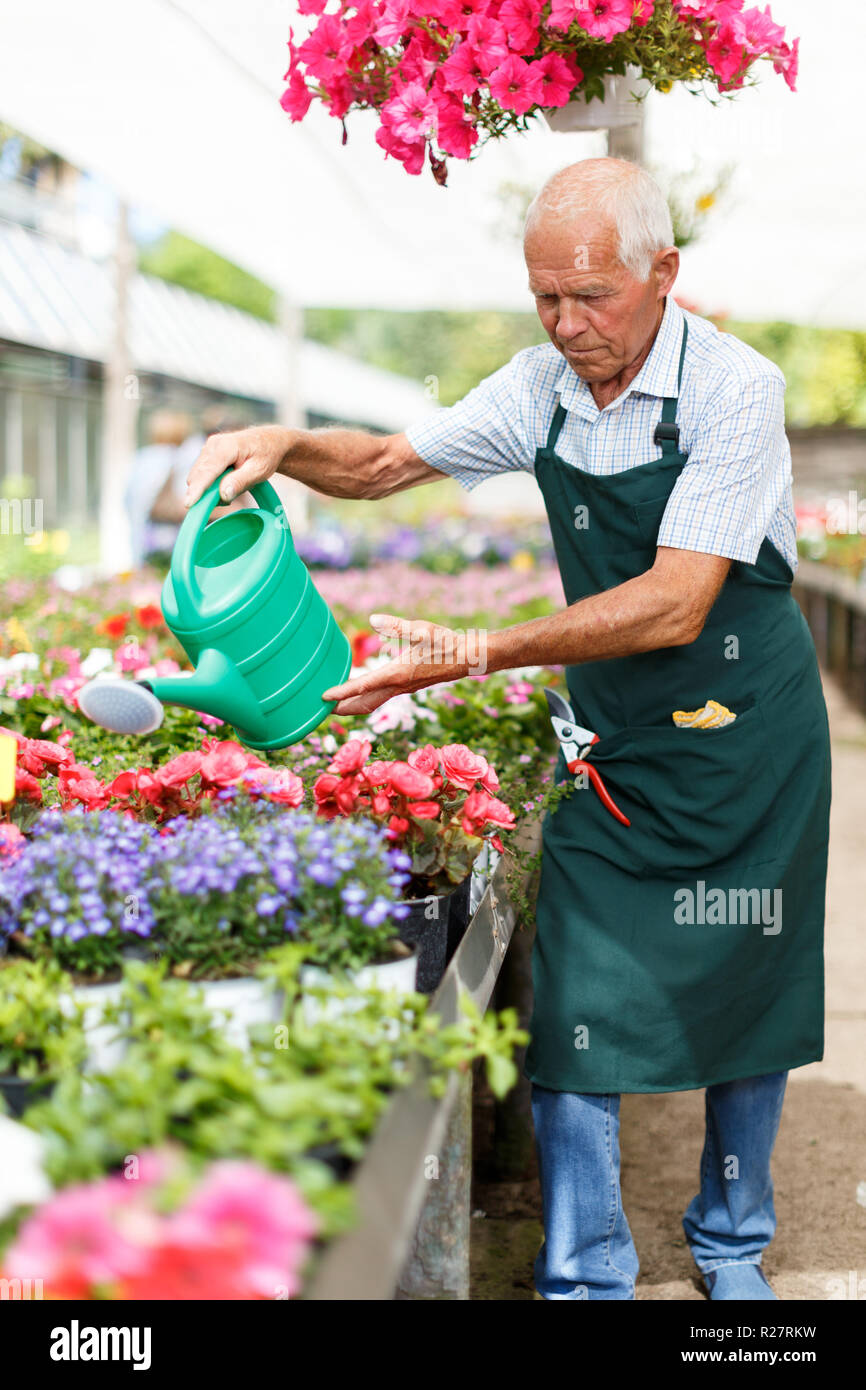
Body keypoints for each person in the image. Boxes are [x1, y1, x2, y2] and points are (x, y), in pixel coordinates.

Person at [184, 157, 830, 1302]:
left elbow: (677, 601)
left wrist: (469, 649)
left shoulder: (737, 388)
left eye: (592, 297)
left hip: (743, 742)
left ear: (662, 273)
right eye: (544, 297)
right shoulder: (538, 384)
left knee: (746, 989)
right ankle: (584, 1273)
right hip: (616, 744)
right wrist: (286, 445)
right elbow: (385, 466)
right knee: (577, 992)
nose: (566, 323)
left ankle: (731, 1245)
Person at [125, 407, 247, 568]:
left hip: (147, 536)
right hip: (171, 540)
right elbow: (186, 501)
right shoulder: (184, 455)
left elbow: (127, 499)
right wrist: (231, 511)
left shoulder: (143, 456)